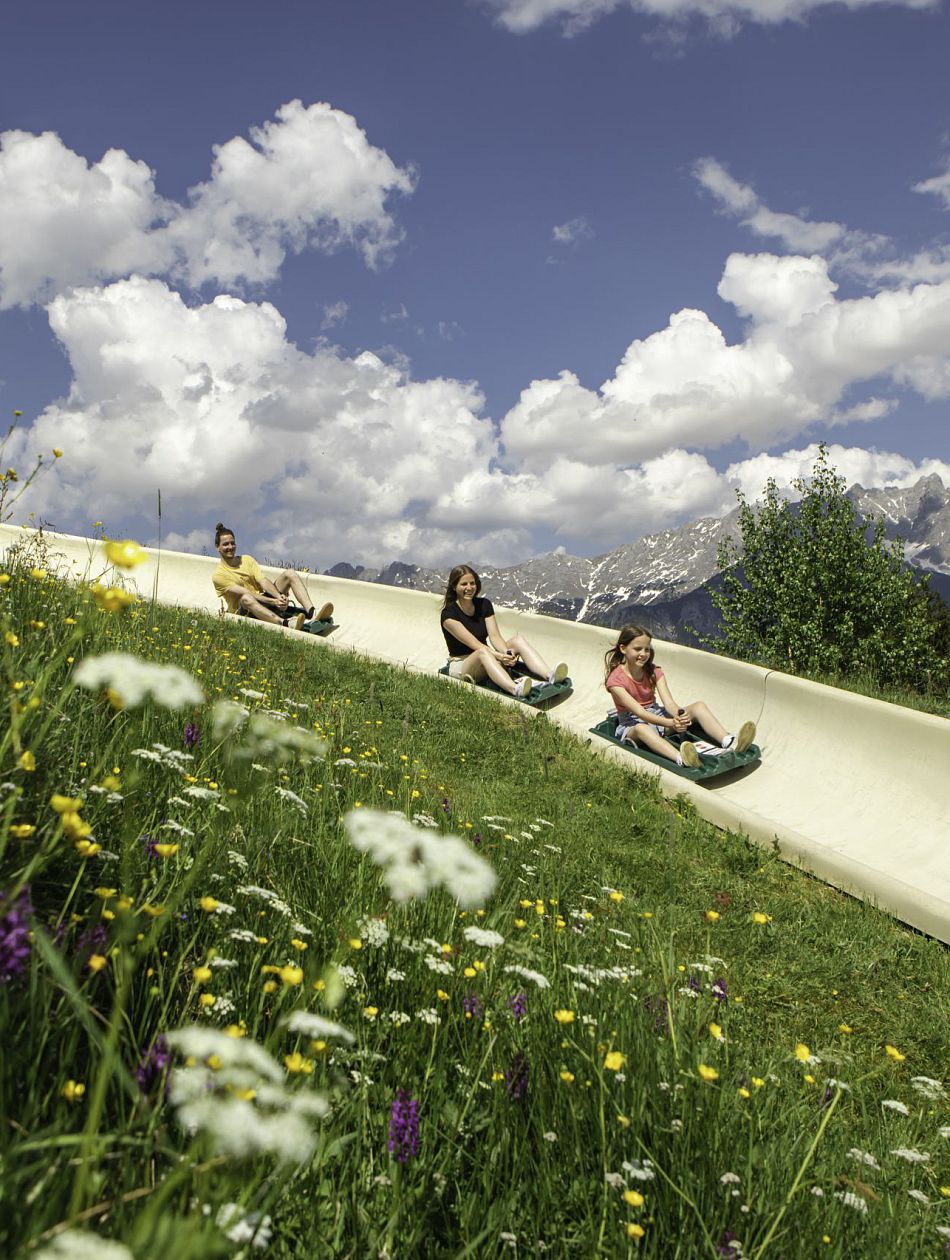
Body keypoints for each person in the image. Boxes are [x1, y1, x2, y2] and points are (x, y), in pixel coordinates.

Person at [604, 624, 756, 769]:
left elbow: (669, 703)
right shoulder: (615, 681)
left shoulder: (654, 671)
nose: (643, 654)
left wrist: (679, 717)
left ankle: (728, 741)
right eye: (637, 649)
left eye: (647, 649)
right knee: (642, 728)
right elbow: (640, 713)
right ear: (623, 648)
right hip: (632, 724)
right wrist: (671, 723)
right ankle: (682, 758)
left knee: (698, 706)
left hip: (658, 716)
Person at [440, 564, 568, 699]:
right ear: (454, 587)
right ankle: (515, 689)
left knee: (517, 640)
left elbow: (495, 636)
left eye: (472, 583)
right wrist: (499, 656)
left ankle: (549, 675)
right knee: (482, 652)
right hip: (464, 664)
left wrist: (506, 653)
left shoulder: (484, 605)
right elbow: (475, 644)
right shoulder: (449, 615)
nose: (469, 588)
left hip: (488, 656)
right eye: (464, 584)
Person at [211, 523, 333, 631]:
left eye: (232, 543)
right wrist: (274, 601)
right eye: (226, 544)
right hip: (245, 611)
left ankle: (312, 612)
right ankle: (286, 623)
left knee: (290, 573)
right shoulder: (219, 575)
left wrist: (279, 597)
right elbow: (247, 593)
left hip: (263, 602)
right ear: (218, 547)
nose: (230, 547)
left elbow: (263, 581)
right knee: (246, 597)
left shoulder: (246, 560)